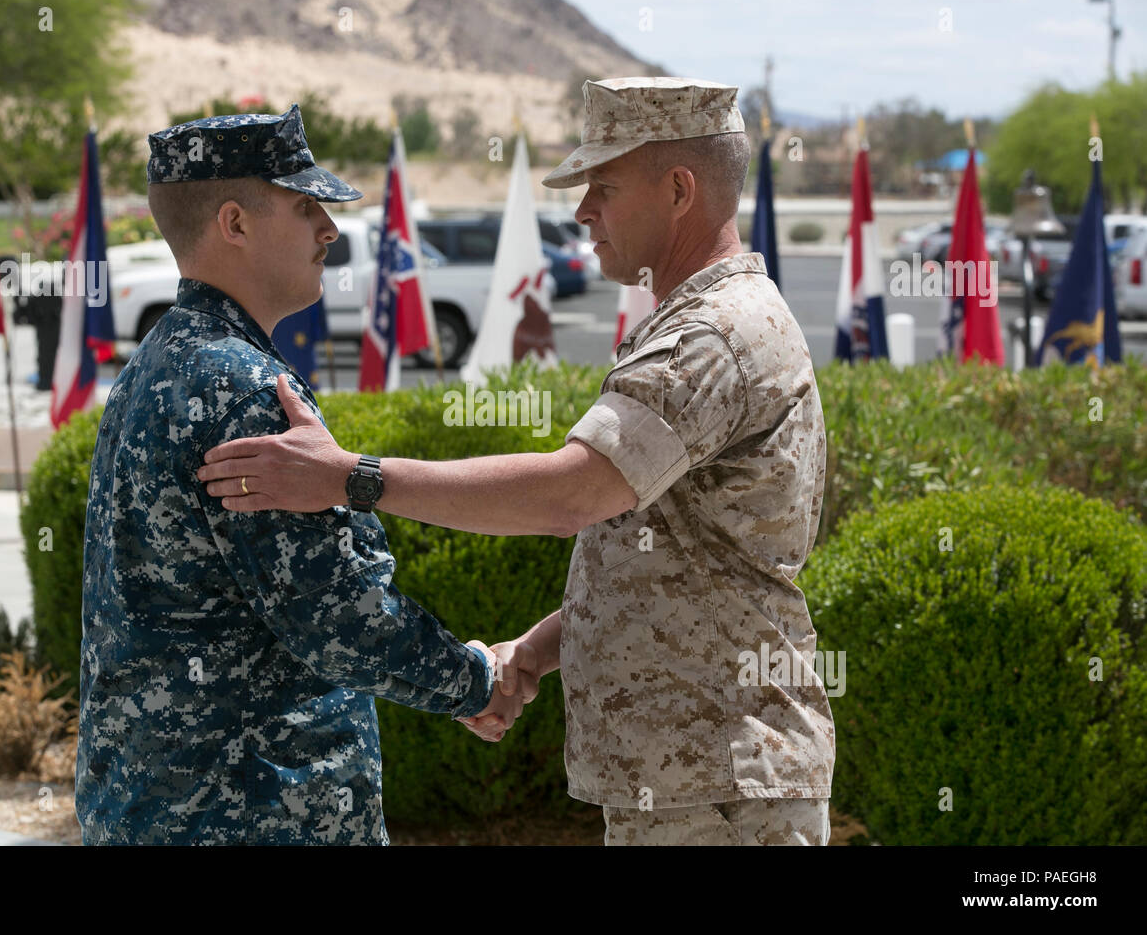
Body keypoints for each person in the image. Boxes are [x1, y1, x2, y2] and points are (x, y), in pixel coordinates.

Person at [196, 79, 836, 846]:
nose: (582, 211)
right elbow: (678, 559)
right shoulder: (707, 321)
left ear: (678, 190)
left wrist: (348, 477)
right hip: (699, 780)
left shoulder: (713, 334)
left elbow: (575, 492)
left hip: (722, 786)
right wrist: (535, 652)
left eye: (603, 185)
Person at [75, 108, 533, 846]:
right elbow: (335, 616)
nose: (329, 228)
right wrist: (475, 681)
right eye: (304, 206)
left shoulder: (160, 363)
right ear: (234, 223)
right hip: (254, 809)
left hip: (155, 803)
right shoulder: (243, 391)